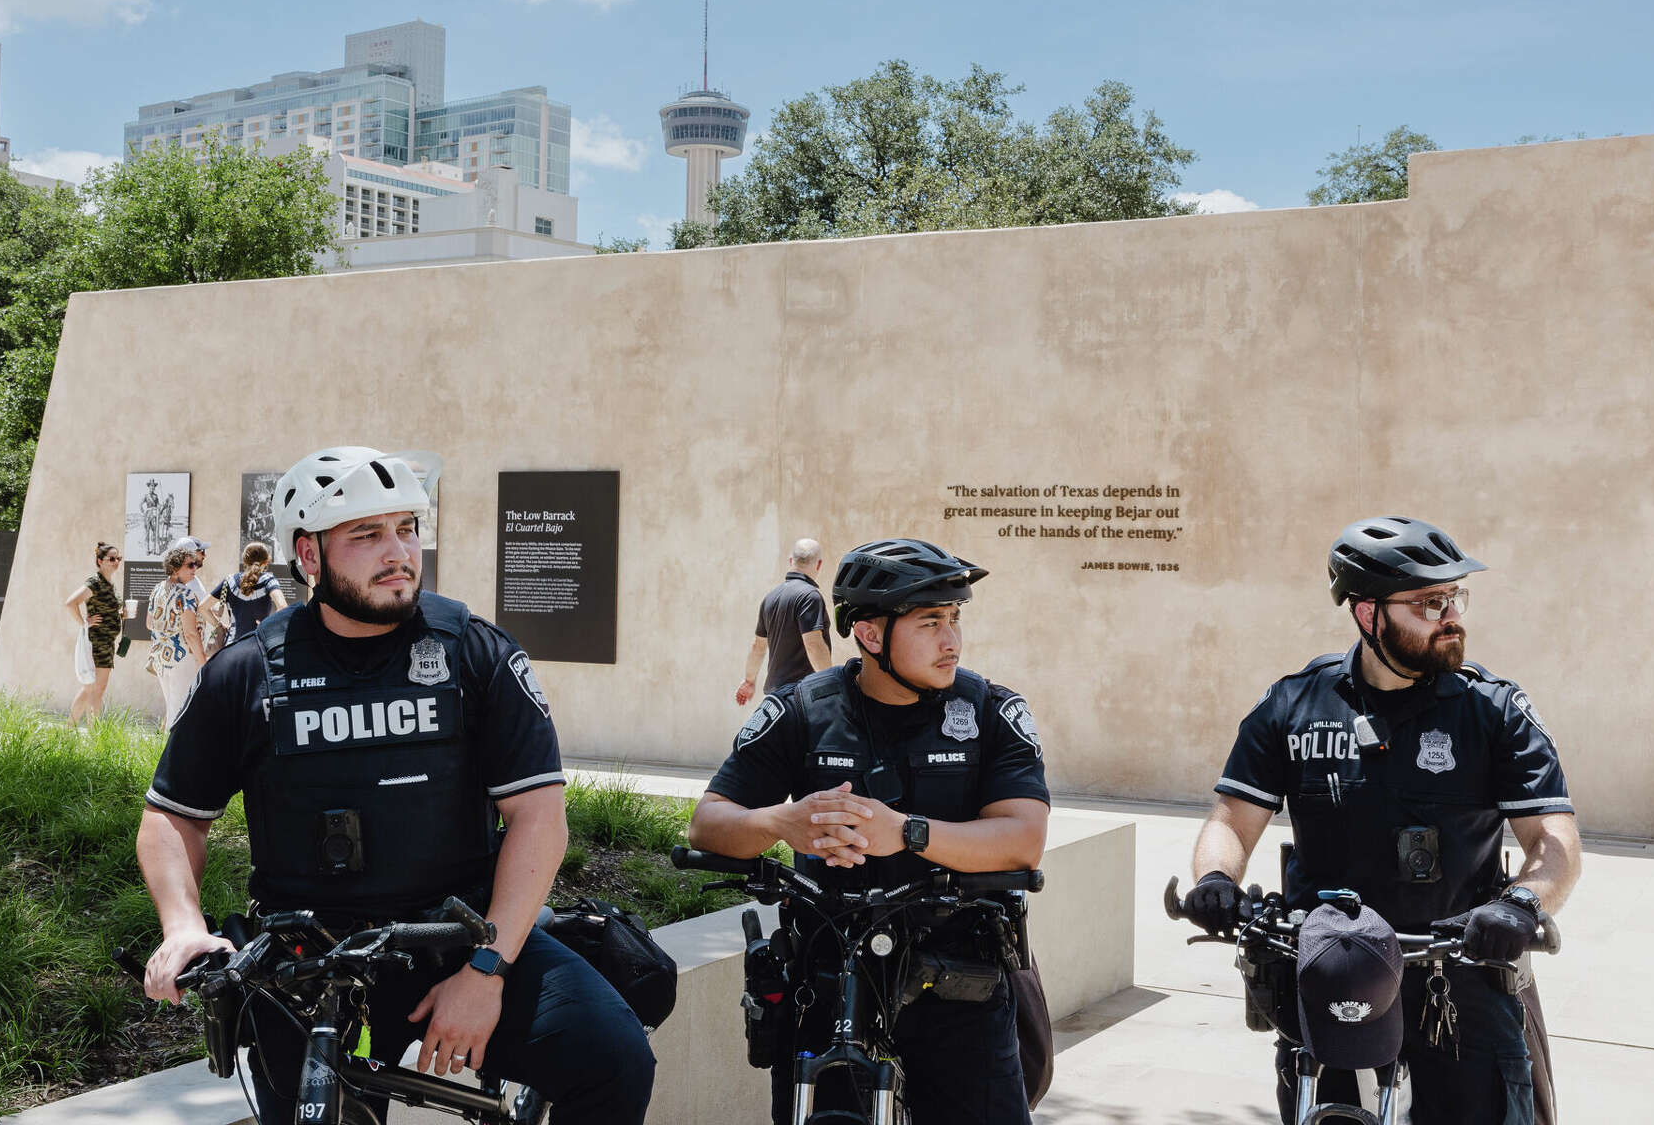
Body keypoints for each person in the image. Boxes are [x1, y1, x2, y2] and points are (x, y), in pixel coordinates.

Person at [135, 446, 653, 1125]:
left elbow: (538, 818)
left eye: (406, 528)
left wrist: (487, 971)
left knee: (614, 1059)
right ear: (310, 555)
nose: (399, 551)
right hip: (308, 962)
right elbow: (173, 817)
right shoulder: (248, 672)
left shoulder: (475, 651)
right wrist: (181, 927)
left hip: (461, 937)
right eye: (366, 534)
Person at [1182, 517, 1581, 1125]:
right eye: (1427, 602)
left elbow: (1555, 843)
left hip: (1460, 974)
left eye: (1454, 597)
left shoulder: (1493, 709)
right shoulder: (1294, 704)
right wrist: (1215, 879)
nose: (1450, 615)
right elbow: (1232, 822)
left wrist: (1522, 905)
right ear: (1367, 615)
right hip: (1333, 978)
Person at [689, 537, 1050, 1125]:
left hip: (959, 973)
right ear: (870, 633)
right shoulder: (802, 711)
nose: (952, 640)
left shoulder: (988, 711)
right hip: (830, 969)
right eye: (930, 622)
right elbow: (709, 823)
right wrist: (782, 822)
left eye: (955, 619)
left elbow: (1022, 837)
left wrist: (906, 833)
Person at [736, 538, 832, 705]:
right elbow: (813, 644)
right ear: (818, 565)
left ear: (790, 561)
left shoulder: (770, 598)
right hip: (802, 697)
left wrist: (749, 681)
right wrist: (830, 684)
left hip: (775, 699)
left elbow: (757, 647)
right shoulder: (810, 596)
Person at [144, 536, 213, 730]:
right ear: (175, 569)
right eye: (189, 565)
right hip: (182, 658)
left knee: (173, 706)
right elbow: (191, 634)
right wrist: (204, 664)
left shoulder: (157, 589)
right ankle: (171, 757)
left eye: (194, 565)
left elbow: (150, 624)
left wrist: (168, 631)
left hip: (160, 657)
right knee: (182, 710)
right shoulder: (185, 594)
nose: (194, 569)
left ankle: (166, 753)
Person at [64, 541, 125, 728]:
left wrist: (122, 614)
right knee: (96, 688)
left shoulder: (109, 584)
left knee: (91, 688)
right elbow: (70, 603)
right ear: (100, 561)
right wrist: (84, 622)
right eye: (112, 559)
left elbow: (108, 609)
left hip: (106, 642)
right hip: (97, 642)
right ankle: (94, 733)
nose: (116, 562)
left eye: (118, 558)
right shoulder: (95, 582)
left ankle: (69, 727)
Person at [208, 541, 288, 647]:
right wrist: (268, 626)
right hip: (258, 646)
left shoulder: (229, 580)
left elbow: (202, 607)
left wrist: (219, 625)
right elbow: (283, 607)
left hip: (232, 646)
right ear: (266, 562)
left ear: (245, 561)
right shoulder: (268, 580)